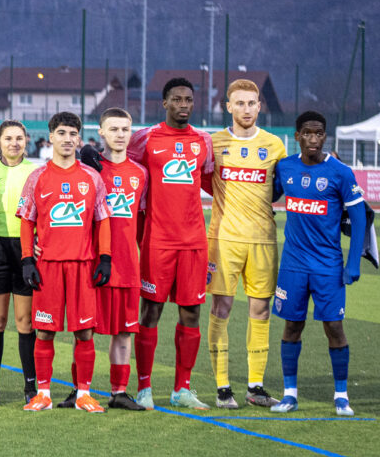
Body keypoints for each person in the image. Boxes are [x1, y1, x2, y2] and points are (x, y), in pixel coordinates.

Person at [127, 77, 215, 410]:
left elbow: (211, 182)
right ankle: (144, 388)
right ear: (164, 103)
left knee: (191, 312)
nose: (183, 105)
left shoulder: (203, 141)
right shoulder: (145, 138)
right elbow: (124, 169)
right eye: (177, 99)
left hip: (193, 241)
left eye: (188, 99)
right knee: (150, 311)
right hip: (157, 240)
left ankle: (182, 389)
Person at [269, 113, 366, 415]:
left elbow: (359, 217)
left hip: (327, 265)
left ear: (326, 136)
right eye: (308, 133)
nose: (314, 139)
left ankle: (341, 396)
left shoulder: (340, 172)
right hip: (293, 264)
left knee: (334, 327)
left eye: (319, 133)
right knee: (291, 326)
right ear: (297, 136)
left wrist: (353, 263)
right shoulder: (285, 167)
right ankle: (289, 395)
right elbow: (265, 196)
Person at [17, 112, 112, 412]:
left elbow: (103, 220)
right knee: (45, 331)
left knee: (85, 332)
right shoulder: (37, 177)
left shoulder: (92, 178)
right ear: (51, 137)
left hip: (83, 265)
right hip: (48, 266)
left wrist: (105, 257)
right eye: (61, 133)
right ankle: (43, 394)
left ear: (79, 138)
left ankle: (83, 394)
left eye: (73, 133)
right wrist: (27, 259)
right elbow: (26, 222)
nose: (68, 139)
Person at [206, 78, 286, 407]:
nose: (246, 109)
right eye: (239, 103)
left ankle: (255, 387)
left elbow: (280, 186)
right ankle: (223, 388)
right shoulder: (213, 143)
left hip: (263, 240)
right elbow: (204, 181)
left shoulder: (275, 145)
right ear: (228, 106)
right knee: (221, 308)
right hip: (224, 239)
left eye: (252, 103)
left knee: (261, 310)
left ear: (259, 106)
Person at [93, 108, 149, 410]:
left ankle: (119, 392)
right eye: (113, 129)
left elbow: (141, 220)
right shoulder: (90, 169)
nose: (119, 135)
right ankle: (80, 390)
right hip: (94, 263)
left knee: (125, 331)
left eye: (125, 129)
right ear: (101, 131)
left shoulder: (140, 173)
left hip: (128, 264)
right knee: (85, 330)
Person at [0, 120, 39, 404]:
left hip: (26, 250)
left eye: (19, 138)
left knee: (25, 322)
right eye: (8, 138)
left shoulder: (36, 172)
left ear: (26, 141)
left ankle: (31, 388)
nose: (14, 143)